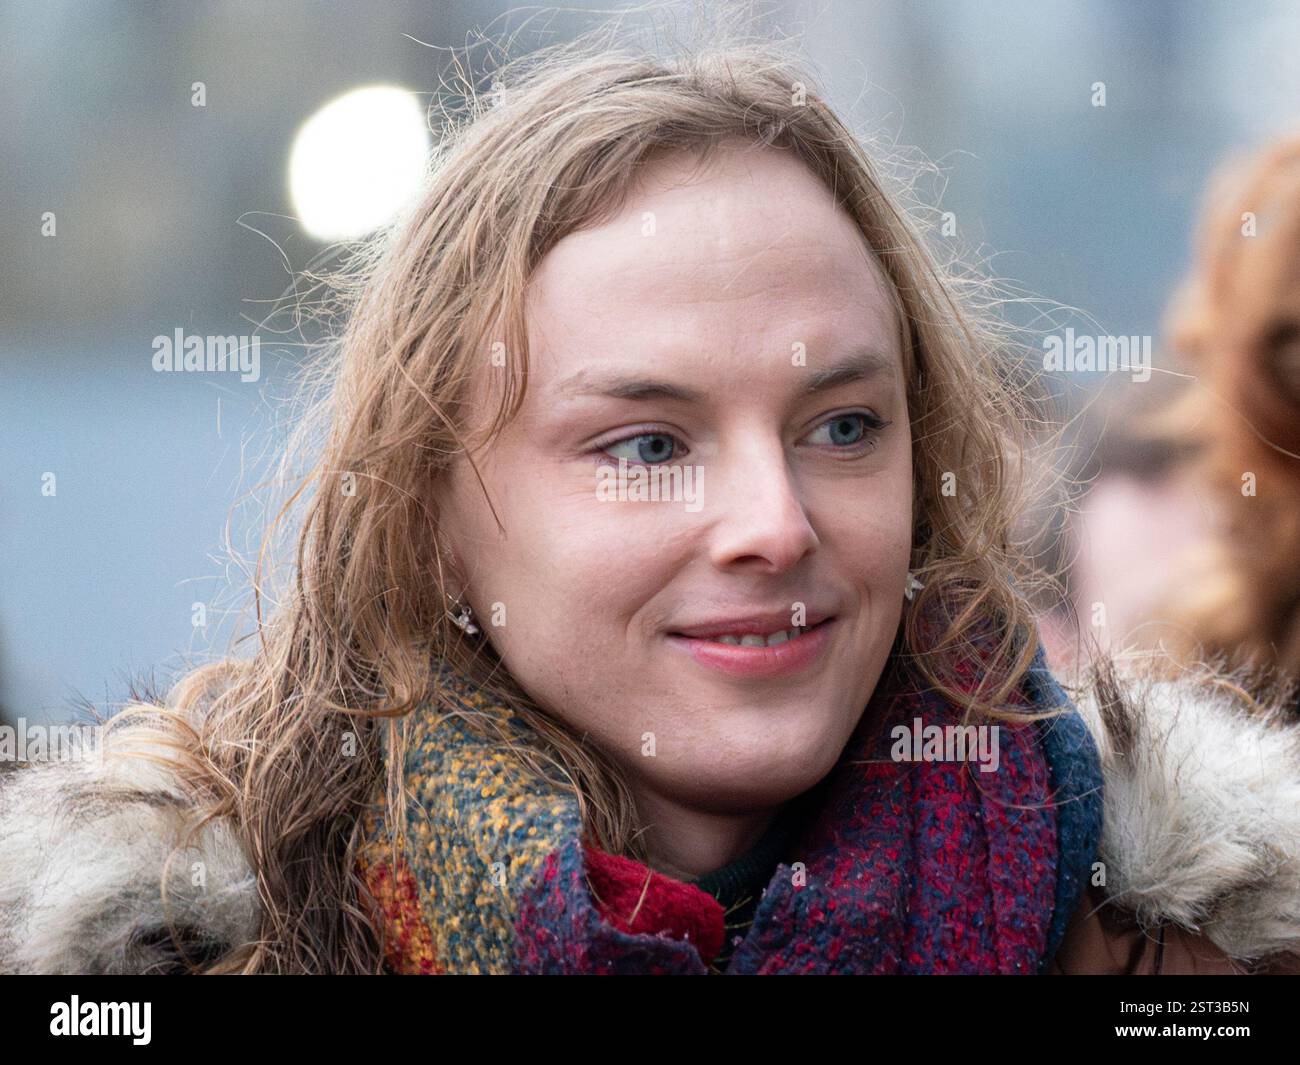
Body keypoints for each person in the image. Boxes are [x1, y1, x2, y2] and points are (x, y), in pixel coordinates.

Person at [2, 30, 1298, 976]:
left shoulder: (1188, 944)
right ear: (426, 516)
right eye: (644, 441)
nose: (773, 520)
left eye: (843, 425)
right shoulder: (152, 956)